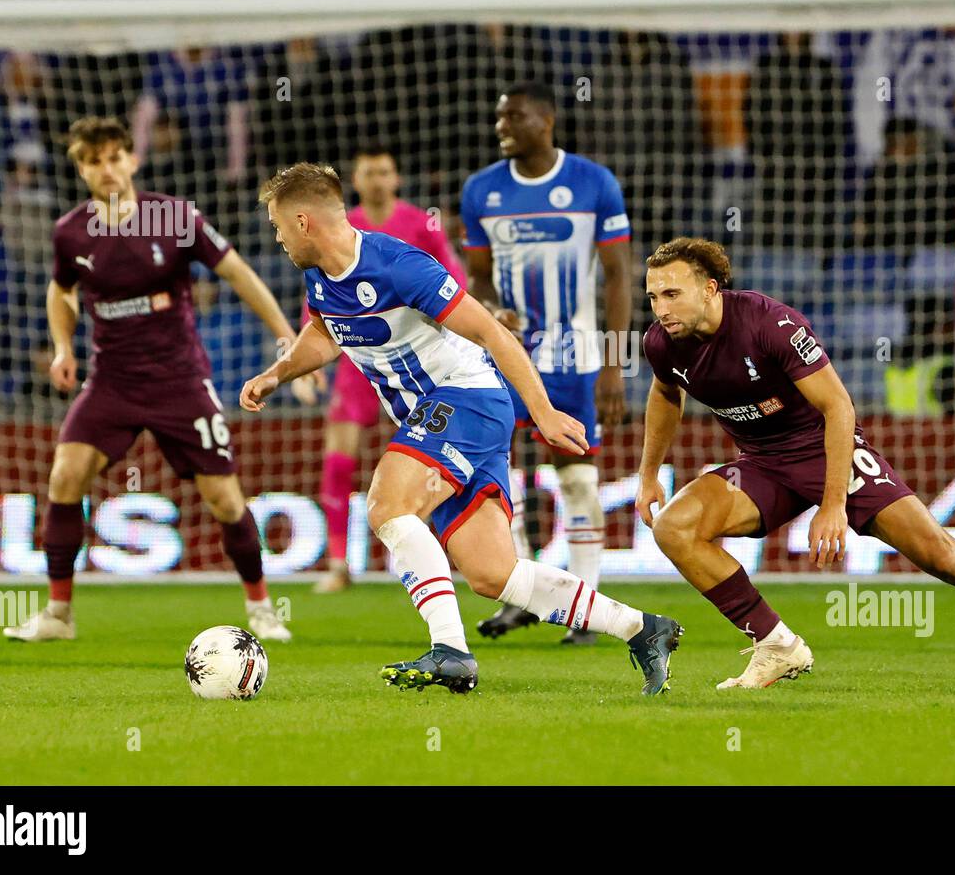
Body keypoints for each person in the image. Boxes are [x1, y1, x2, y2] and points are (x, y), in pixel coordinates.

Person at [241, 162, 681, 695]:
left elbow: (493, 332)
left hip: (465, 399)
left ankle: (451, 652)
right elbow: (325, 333)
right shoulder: (319, 279)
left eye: (278, 224)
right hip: (437, 420)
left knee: (387, 505)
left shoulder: (400, 266)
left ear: (305, 221)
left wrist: (540, 411)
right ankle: (643, 629)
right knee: (493, 575)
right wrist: (277, 373)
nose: (278, 237)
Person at [637, 237, 955, 690]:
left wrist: (833, 503)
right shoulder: (661, 343)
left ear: (710, 289)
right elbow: (664, 393)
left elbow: (839, 408)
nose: (662, 309)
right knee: (674, 527)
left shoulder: (770, 324)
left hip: (828, 453)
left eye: (672, 294)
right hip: (761, 465)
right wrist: (648, 475)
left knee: (944, 557)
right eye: (654, 296)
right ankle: (777, 644)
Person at [3, 117, 317, 643]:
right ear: (82, 169)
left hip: (180, 381)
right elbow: (62, 293)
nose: (105, 169)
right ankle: (58, 614)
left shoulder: (174, 217)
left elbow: (237, 272)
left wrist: (287, 335)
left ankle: (262, 607)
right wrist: (62, 347)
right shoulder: (70, 232)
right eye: (93, 161)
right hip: (111, 383)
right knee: (64, 477)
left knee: (224, 498)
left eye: (113, 157)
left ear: (131, 159)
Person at [461, 82, 632, 646]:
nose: (502, 126)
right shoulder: (481, 191)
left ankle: (584, 607)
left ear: (546, 120)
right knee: (499, 481)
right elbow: (478, 277)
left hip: (577, 358)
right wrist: (490, 308)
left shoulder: (592, 184)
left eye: (513, 116)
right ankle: (523, 599)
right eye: (498, 117)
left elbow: (618, 277)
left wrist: (615, 363)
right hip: (506, 358)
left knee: (578, 481)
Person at [314, 145, 467, 593]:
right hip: (358, 359)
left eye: (385, 171)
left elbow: (452, 279)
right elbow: (320, 297)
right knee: (338, 457)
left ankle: (432, 558)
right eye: (369, 172)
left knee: (433, 458)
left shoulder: (422, 224)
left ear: (396, 179)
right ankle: (339, 564)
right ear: (356, 181)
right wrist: (304, 364)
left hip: (416, 361)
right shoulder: (341, 228)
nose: (378, 179)